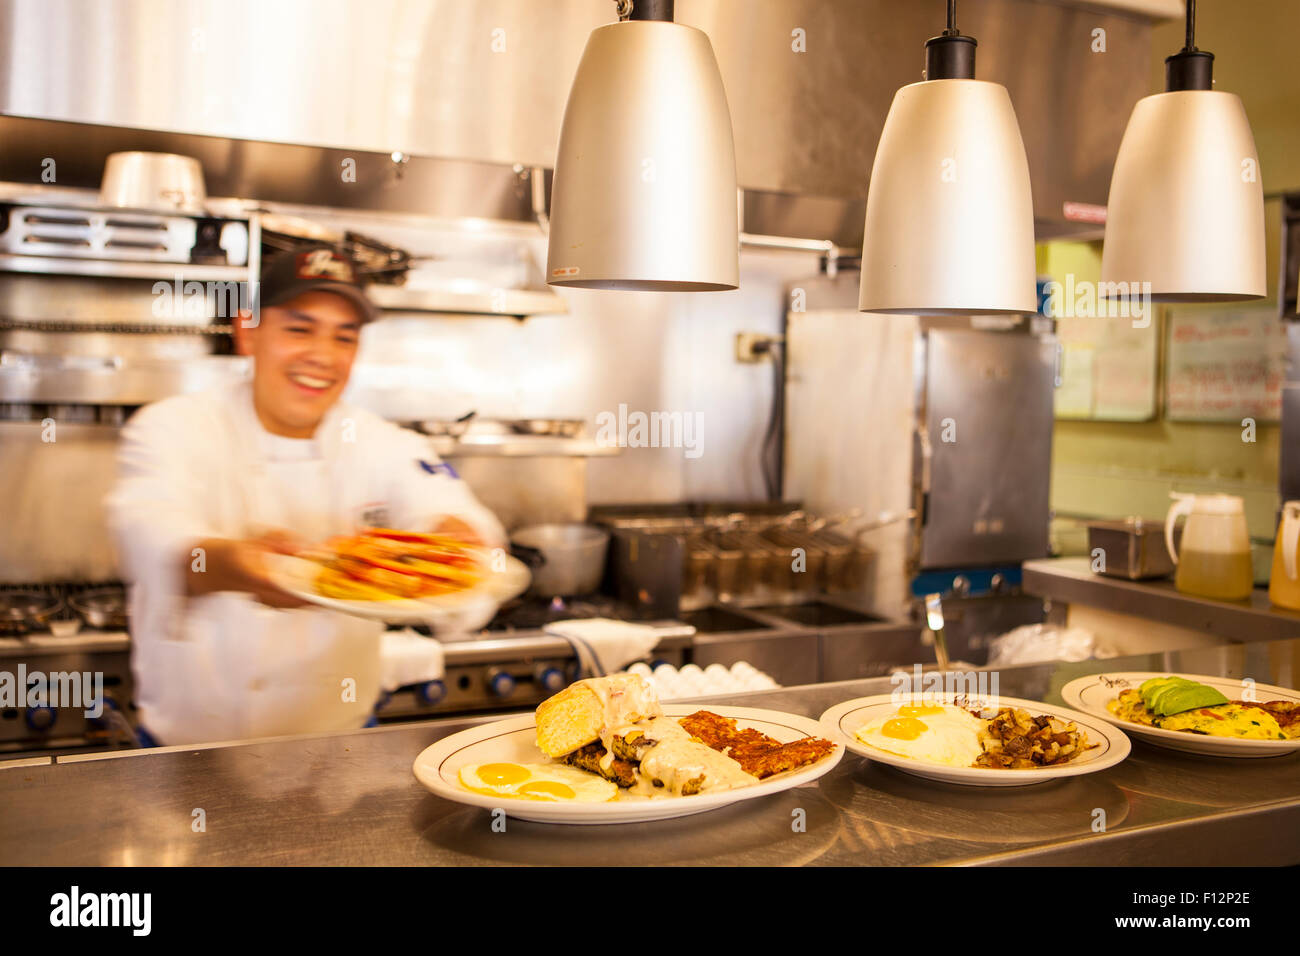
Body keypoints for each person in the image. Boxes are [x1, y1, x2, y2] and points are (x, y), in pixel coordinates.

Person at [107, 245, 504, 745]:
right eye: (299, 329)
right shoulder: (172, 428)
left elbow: (456, 515)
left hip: (338, 756)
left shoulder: (381, 441)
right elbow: (148, 534)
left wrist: (456, 539)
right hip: (184, 758)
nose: (322, 356)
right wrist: (236, 563)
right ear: (248, 331)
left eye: (345, 336)